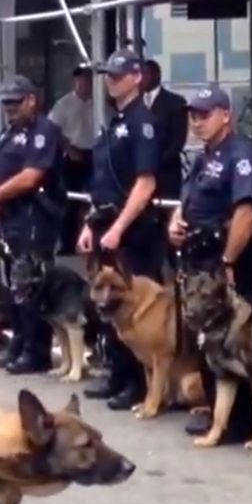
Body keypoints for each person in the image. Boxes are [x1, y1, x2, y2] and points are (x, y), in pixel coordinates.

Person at [167, 85, 252, 440]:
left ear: (226, 115)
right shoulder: (203, 156)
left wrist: (228, 261)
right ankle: (215, 413)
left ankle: (241, 421)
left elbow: (246, 214)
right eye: (193, 115)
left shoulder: (240, 155)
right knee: (208, 340)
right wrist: (175, 221)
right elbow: (186, 199)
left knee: (236, 341)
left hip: (225, 262)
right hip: (197, 263)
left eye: (205, 115)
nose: (197, 122)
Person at [78, 48, 162, 411]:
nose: (111, 82)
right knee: (109, 306)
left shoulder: (143, 121)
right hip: (106, 222)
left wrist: (118, 227)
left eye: (118, 75)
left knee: (134, 307)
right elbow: (103, 181)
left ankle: (137, 384)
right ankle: (117, 374)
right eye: (108, 76)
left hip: (133, 229)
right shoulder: (117, 120)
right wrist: (90, 224)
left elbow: (145, 183)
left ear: (136, 77)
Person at [0, 75, 63, 374]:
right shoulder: (8, 131)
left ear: (31, 99)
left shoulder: (44, 131)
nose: (10, 108)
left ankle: (36, 351)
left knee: (32, 286)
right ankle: (18, 344)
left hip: (34, 217)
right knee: (13, 285)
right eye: (6, 103)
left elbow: (32, 176)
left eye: (15, 102)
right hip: (9, 217)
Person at [49, 66, 96, 254]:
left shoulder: (100, 104)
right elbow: (53, 129)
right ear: (75, 82)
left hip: (94, 155)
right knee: (70, 201)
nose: (85, 84)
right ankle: (67, 244)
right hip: (72, 156)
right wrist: (69, 148)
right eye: (81, 80)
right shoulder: (64, 105)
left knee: (94, 199)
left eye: (88, 80)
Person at [142, 59, 189, 200]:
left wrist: (153, 162)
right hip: (139, 177)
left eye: (144, 74)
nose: (140, 79)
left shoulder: (176, 103)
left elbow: (178, 142)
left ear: (156, 75)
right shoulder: (134, 103)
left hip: (167, 176)